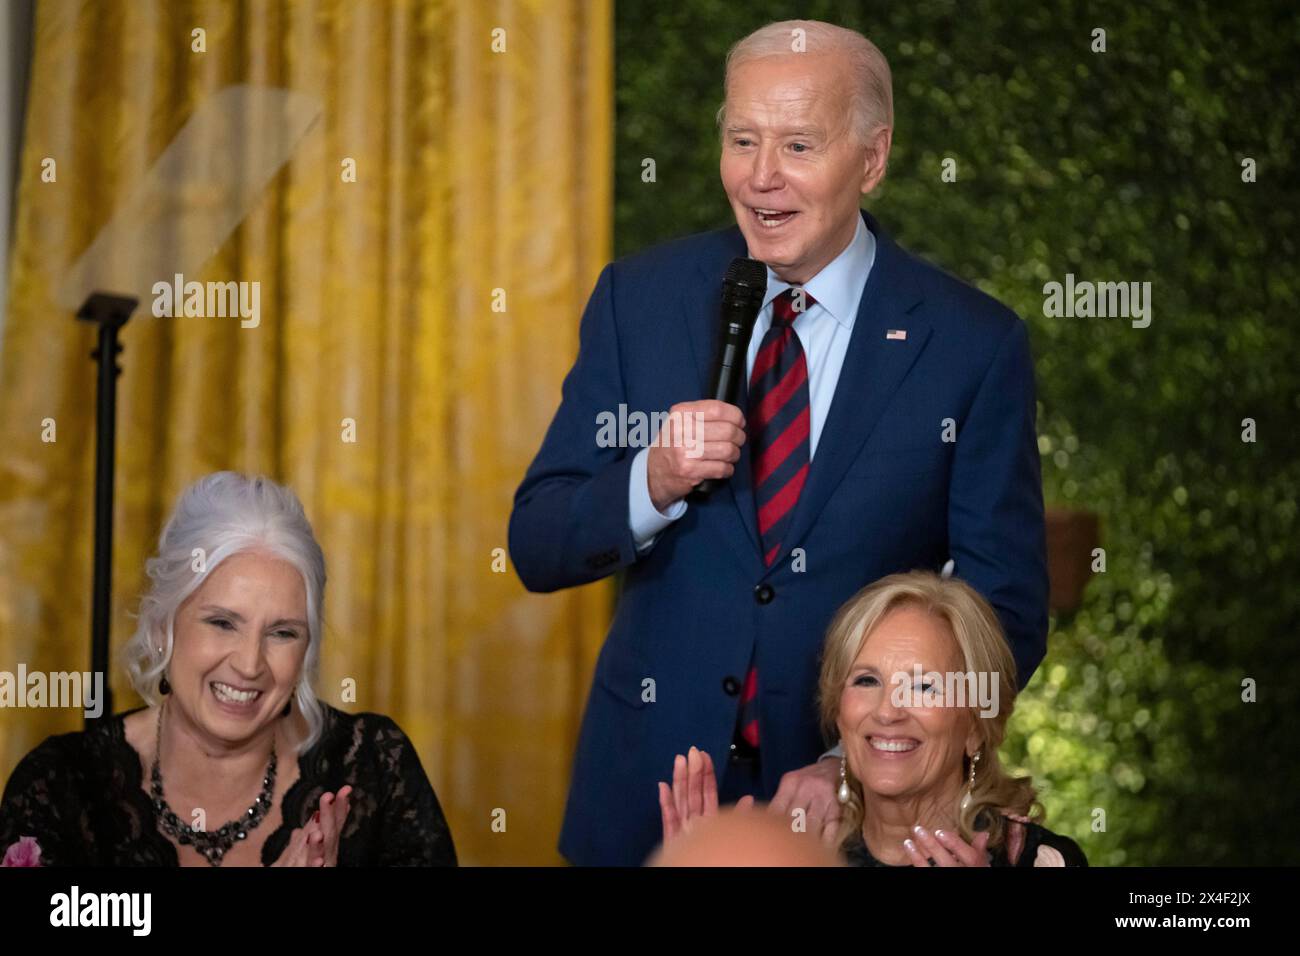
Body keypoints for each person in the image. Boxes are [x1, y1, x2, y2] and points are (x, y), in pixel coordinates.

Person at [509, 19, 1048, 866]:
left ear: (872, 159)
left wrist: (849, 761)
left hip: (857, 828)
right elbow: (537, 543)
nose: (763, 177)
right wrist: (651, 478)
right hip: (643, 812)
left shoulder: (971, 346)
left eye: (799, 144)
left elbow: (1006, 611)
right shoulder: (639, 299)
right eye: (742, 140)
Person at [0, 472, 457, 867]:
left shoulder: (374, 768)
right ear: (163, 627)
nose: (249, 663)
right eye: (222, 623)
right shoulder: (61, 786)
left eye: (282, 633)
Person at [658, 571, 1085, 867]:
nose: (887, 711)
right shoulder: (795, 852)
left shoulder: (1035, 858)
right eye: (866, 680)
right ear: (838, 712)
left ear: (974, 725)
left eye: (923, 687)